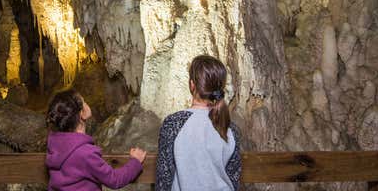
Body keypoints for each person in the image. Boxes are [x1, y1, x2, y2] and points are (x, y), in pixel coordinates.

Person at [155, 55, 241, 191]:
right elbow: (233, 178)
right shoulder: (229, 128)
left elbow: (164, 180)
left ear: (192, 85)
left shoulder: (173, 124)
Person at [46, 89, 147, 191]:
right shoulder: (85, 153)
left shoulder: (54, 145)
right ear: (82, 114)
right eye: (84, 102)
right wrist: (135, 162)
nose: (86, 103)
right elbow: (114, 179)